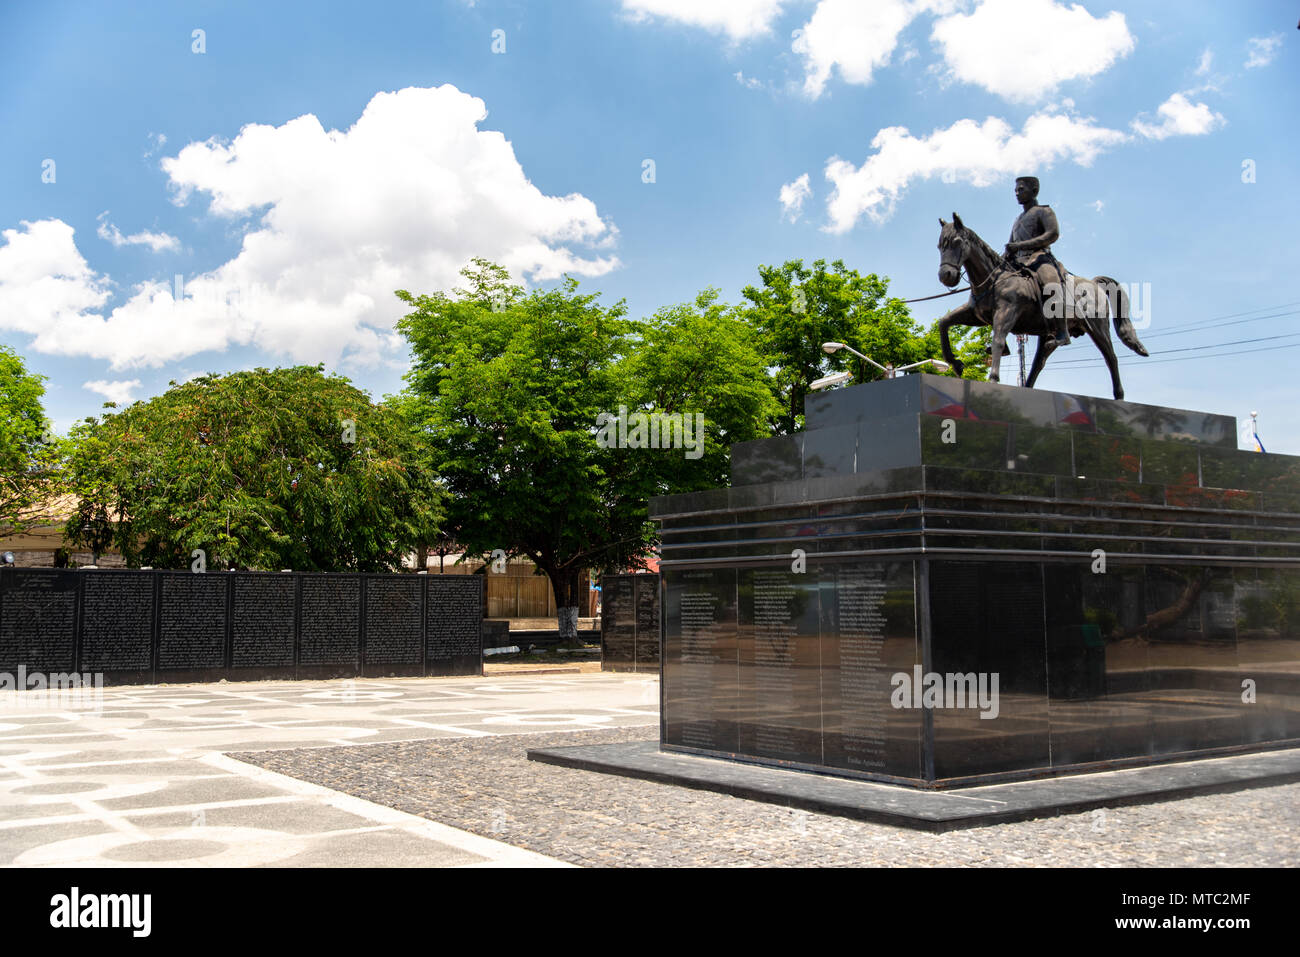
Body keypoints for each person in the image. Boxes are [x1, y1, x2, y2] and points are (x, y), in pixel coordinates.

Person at [1004, 176, 1070, 349]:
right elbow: (1012, 245)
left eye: (1021, 190)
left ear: (1034, 191)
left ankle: (1062, 332)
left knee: (1050, 283)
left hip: (1040, 257)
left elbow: (1052, 234)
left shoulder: (1044, 211)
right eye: (1016, 191)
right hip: (1019, 262)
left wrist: (1020, 245)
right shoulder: (1017, 220)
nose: (1017, 194)